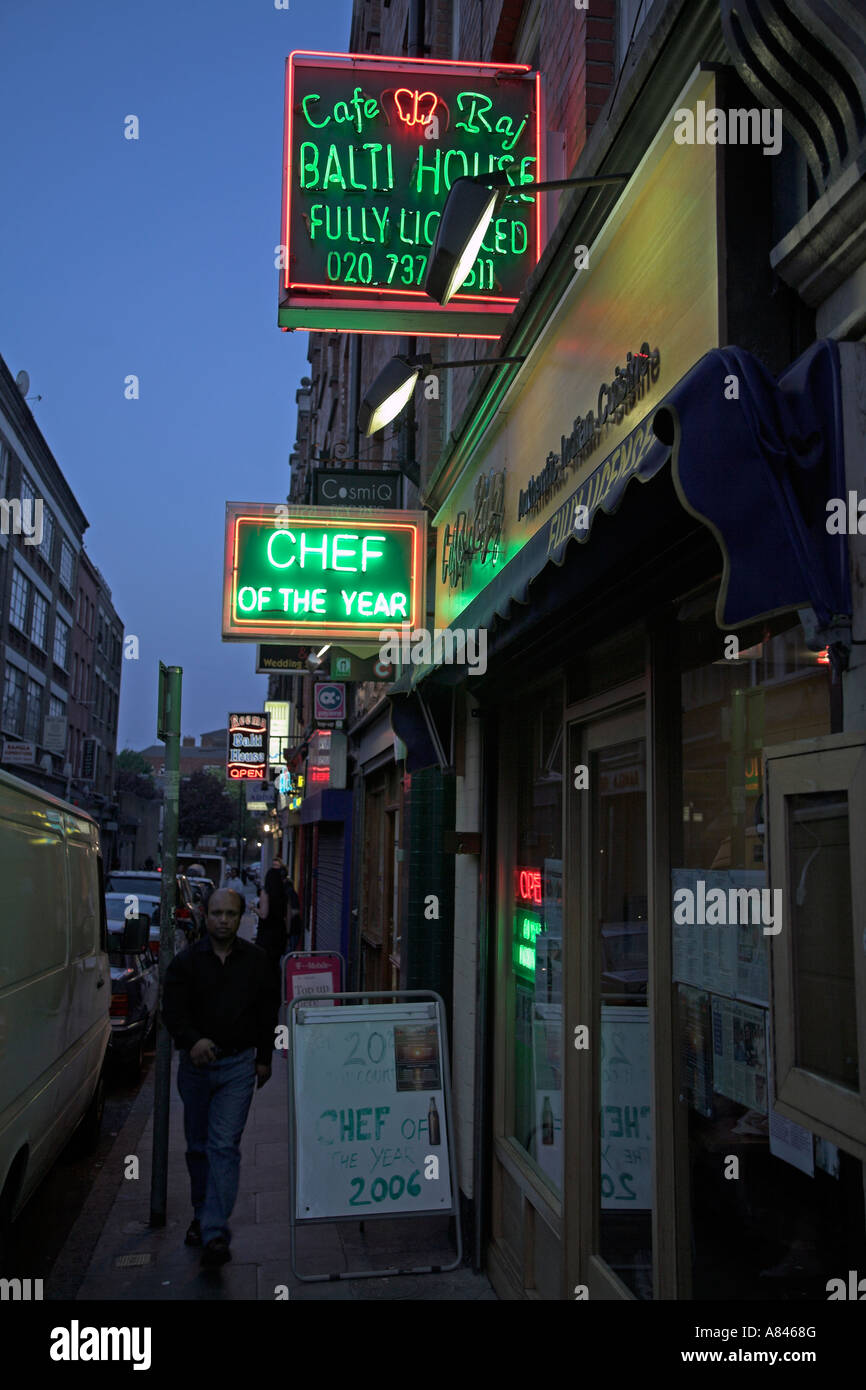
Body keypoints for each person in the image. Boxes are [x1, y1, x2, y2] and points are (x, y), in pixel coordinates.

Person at [162, 888, 280, 1267]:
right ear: (206, 916)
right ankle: (201, 1214)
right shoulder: (186, 963)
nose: (223, 920)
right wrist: (192, 1041)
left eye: (231, 913)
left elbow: (267, 1012)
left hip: (238, 1067)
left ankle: (214, 1231)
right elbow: (173, 1011)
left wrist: (264, 1059)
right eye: (217, 913)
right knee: (198, 1147)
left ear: (241, 916)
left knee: (223, 1145)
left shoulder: (258, 962)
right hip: (196, 1070)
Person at [256, 860, 288, 972]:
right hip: (279, 934)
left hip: (266, 934)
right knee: (275, 965)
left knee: (265, 966)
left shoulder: (265, 892)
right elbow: (286, 917)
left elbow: (264, 914)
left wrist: (254, 908)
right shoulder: (283, 893)